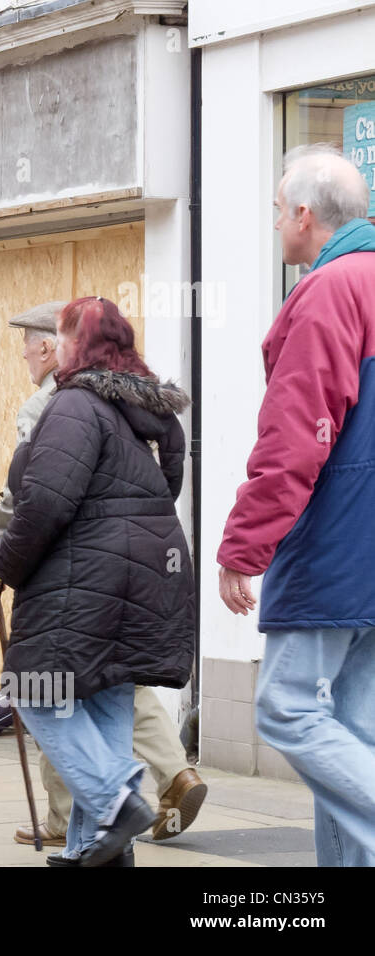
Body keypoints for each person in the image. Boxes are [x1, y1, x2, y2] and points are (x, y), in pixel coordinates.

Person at [0, 301, 206, 848]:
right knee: (107, 698)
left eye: (62, 337)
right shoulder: (152, 411)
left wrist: (2, 565)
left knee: (32, 692)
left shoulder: (75, 404)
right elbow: (161, 488)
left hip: (90, 576)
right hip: (152, 576)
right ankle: (96, 846)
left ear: (81, 345)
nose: (55, 348)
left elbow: (45, 502)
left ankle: (115, 796)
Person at [218, 144, 375, 867]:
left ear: (305, 216)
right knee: (351, 728)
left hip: (338, 550)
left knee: (287, 706)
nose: (277, 223)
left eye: (279, 211)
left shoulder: (328, 290)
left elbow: (294, 437)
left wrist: (243, 546)